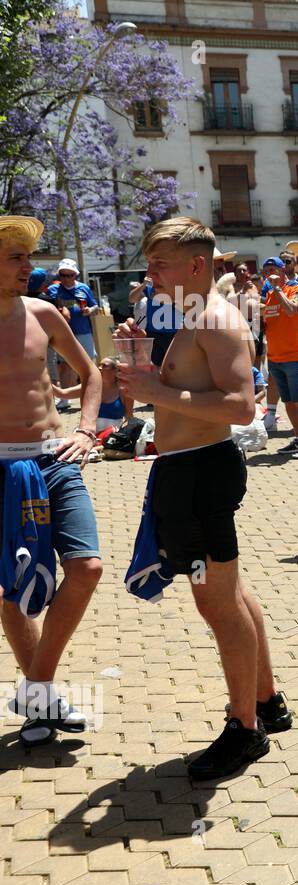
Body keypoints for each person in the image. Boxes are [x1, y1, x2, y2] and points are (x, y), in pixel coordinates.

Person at [116, 216, 291, 780]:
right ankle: (266, 701)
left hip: (199, 475)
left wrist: (155, 390)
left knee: (215, 603)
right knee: (230, 590)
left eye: (159, 263)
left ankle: (245, 730)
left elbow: (241, 406)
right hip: (187, 471)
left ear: (196, 265)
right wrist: (142, 373)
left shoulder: (216, 319)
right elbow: (189, 393)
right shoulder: (193, 317)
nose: (150, 274)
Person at [0, 216, 104, 748]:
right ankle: (40, 705)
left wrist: (87, 429)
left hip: (53, 458)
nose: (28, 267)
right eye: (16, 258)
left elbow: (92, 374)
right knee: (12, 590)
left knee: (86, 567)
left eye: (27, 258)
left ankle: (35, 686)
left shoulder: (43, 312)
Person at [257, 257, 298, 458]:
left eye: (273, 269)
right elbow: (269, 322)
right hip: (275, 358)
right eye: (266, 271)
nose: (269, 274)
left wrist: (278, 290)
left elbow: (291, 311)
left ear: (283, 271)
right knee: (289, 403)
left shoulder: (295, 289)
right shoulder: (270, 294)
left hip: (294, 356)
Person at [44, 258, 100, 394]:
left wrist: (90, 310)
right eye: (63, 275)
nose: (66, 278)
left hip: (83, 331)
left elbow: (96, 307)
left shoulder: (84, 288)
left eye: (70, 275)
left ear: (75, 275)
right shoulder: (52, 290)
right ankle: (64, 398)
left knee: (87, 364)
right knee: (64, 366)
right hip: (61, 332)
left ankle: (90, 393)